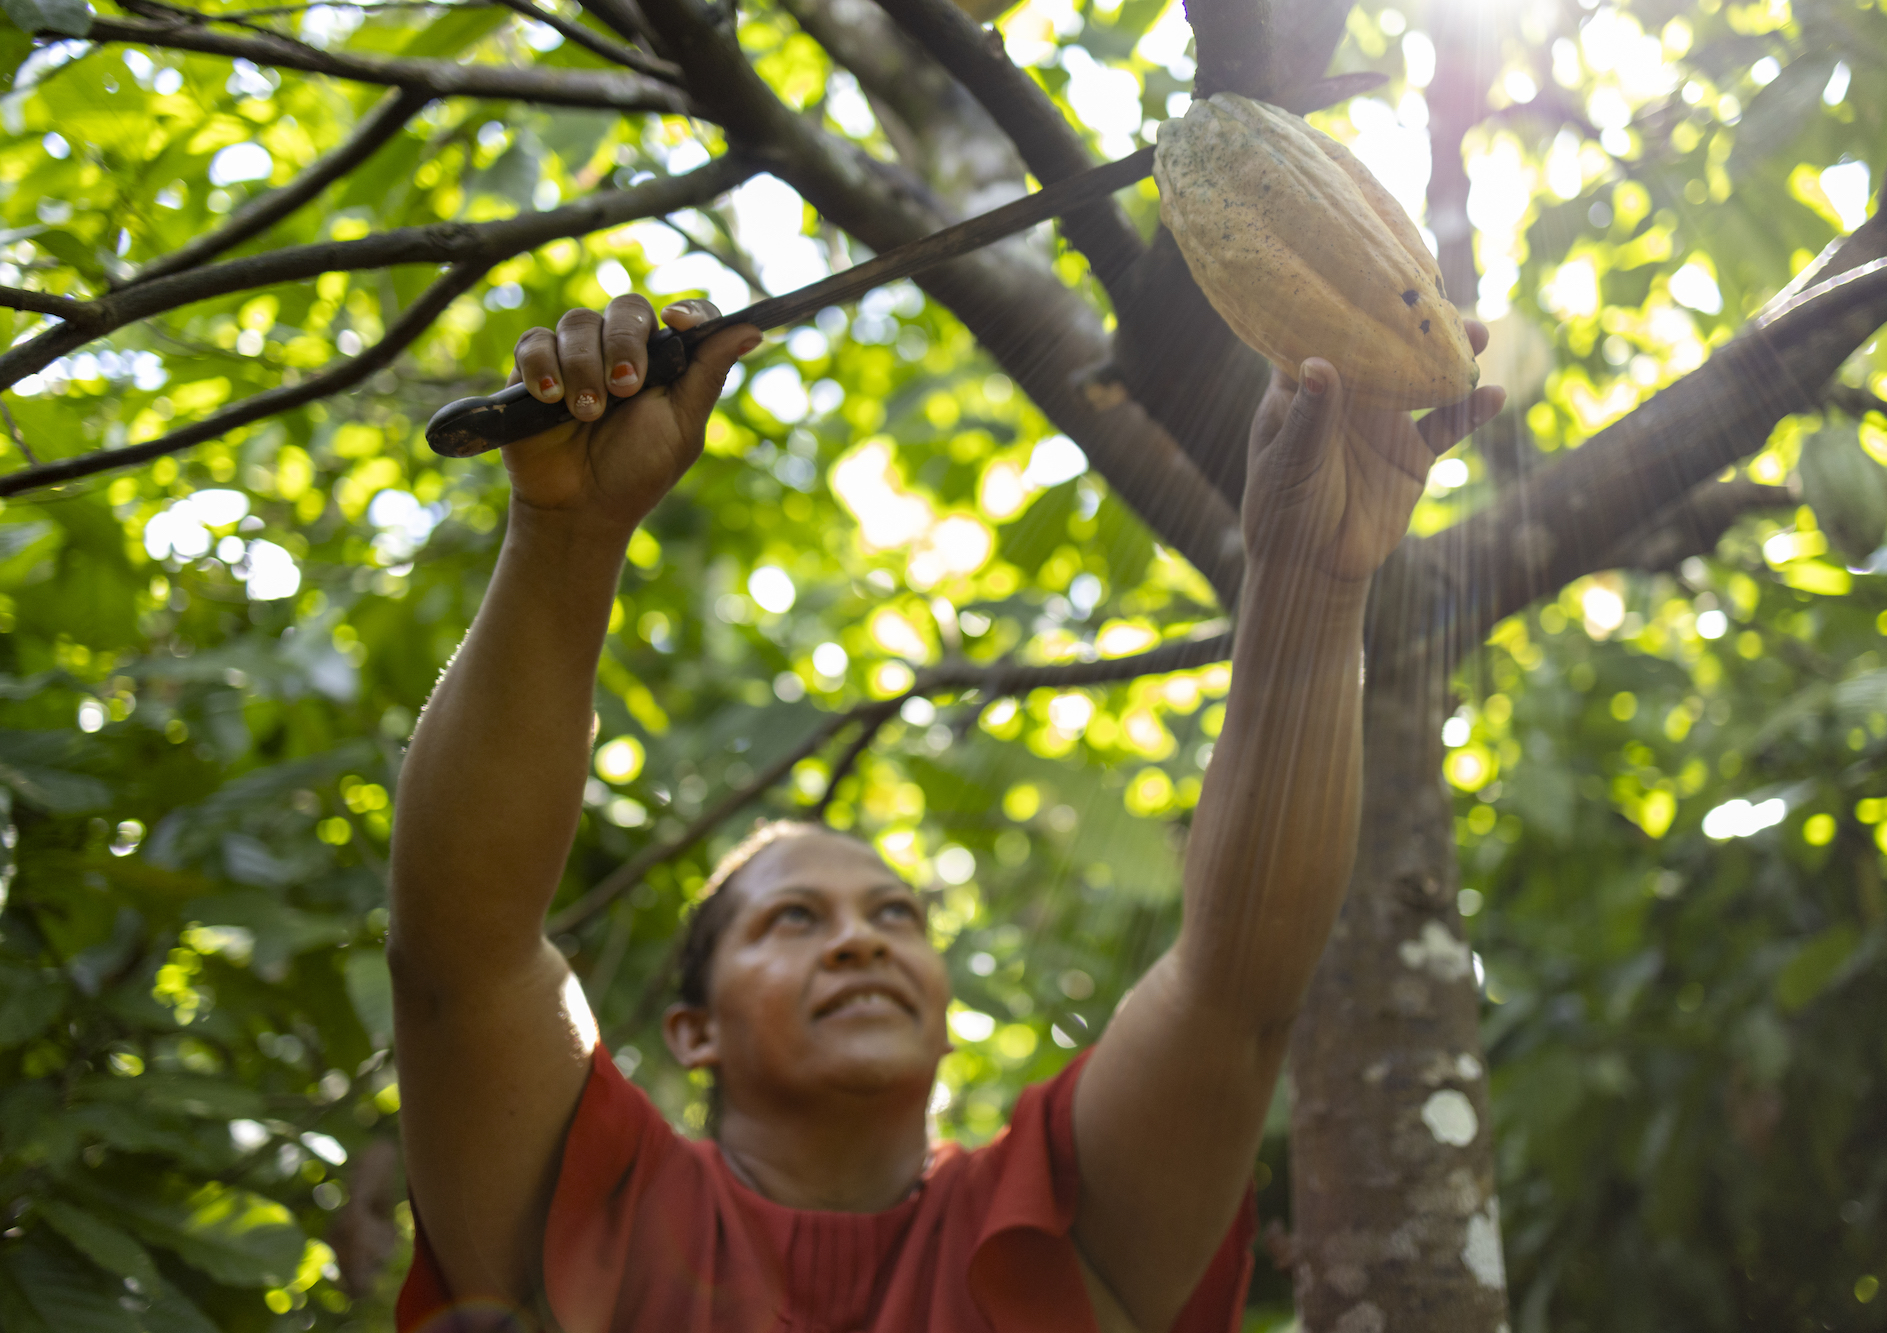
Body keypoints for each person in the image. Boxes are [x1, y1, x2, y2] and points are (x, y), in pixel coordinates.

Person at [388, 293, 1503, 1331]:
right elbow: (458, 958)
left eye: (896, 915)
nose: (863, 938)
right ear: (694, 1034)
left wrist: (1309, 579)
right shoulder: (603, 1215)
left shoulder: (1051, 1222)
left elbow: (1239, 992)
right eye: (793, 921)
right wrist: (567, 535)